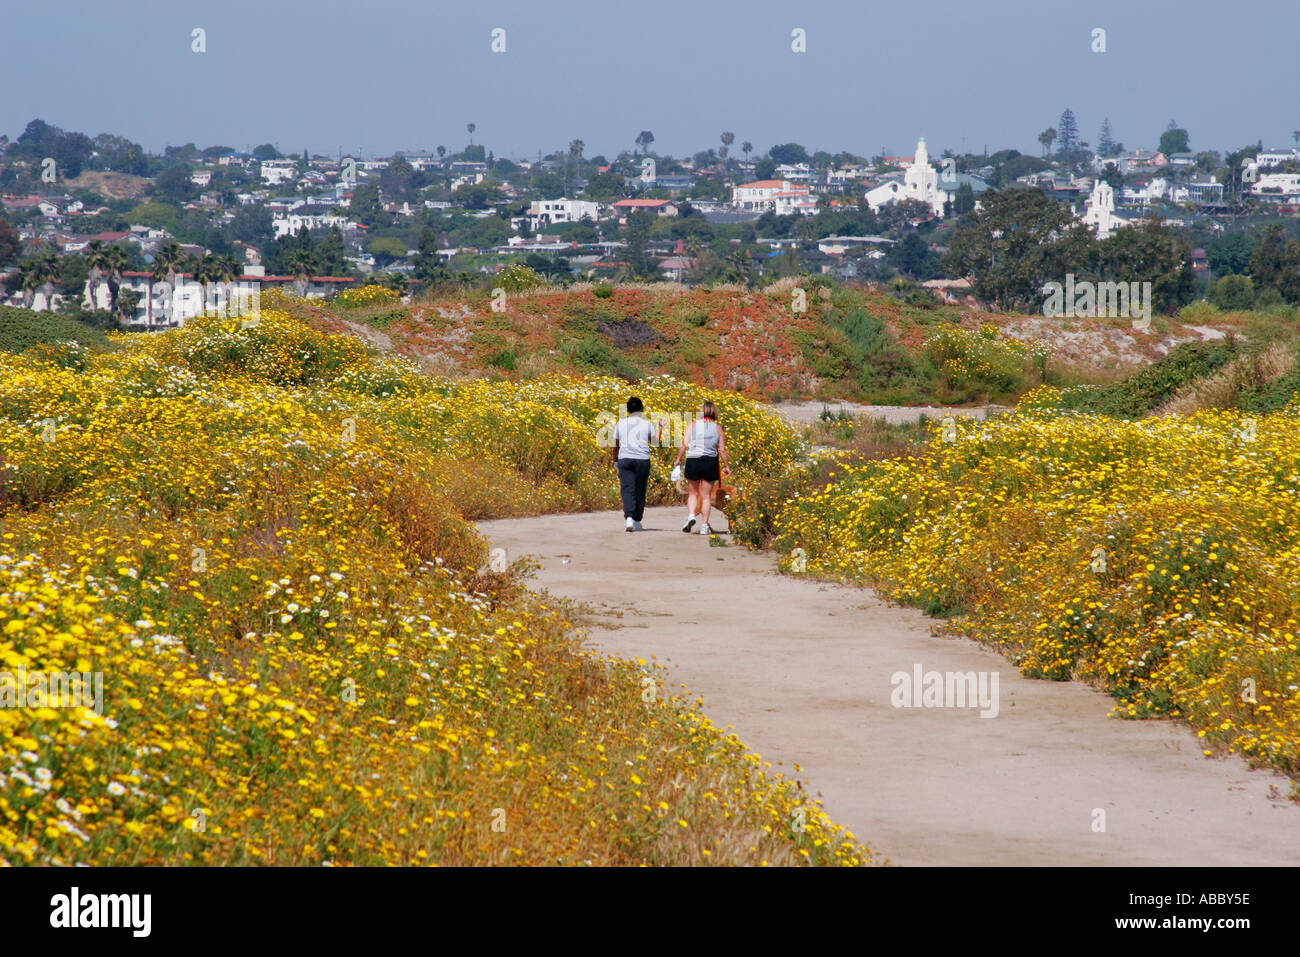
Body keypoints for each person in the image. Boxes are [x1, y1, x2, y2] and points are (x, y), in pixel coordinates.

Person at [672, 401, 730, 536]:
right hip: (710, 462)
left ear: (702, 412)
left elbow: (684, 444)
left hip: (693, 460)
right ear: (714, 412)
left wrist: (678, 459)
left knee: (693, 493)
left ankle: (692, 515)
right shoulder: (718, 428)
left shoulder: (692, 425)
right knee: (706, 497)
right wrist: (726, 466)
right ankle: (704, 525)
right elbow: (722, 450)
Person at [611, 396, 659, 532]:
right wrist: (660, 427)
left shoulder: (620, 423)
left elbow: (616, 444)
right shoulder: (647, 424)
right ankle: (637, 520)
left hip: (625, 459)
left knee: (627, 489)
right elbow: (655, 442)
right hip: (642, 460)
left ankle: (629, 518)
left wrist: (615, 460)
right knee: (640, 489)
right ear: (641, 409)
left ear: (628, 410)